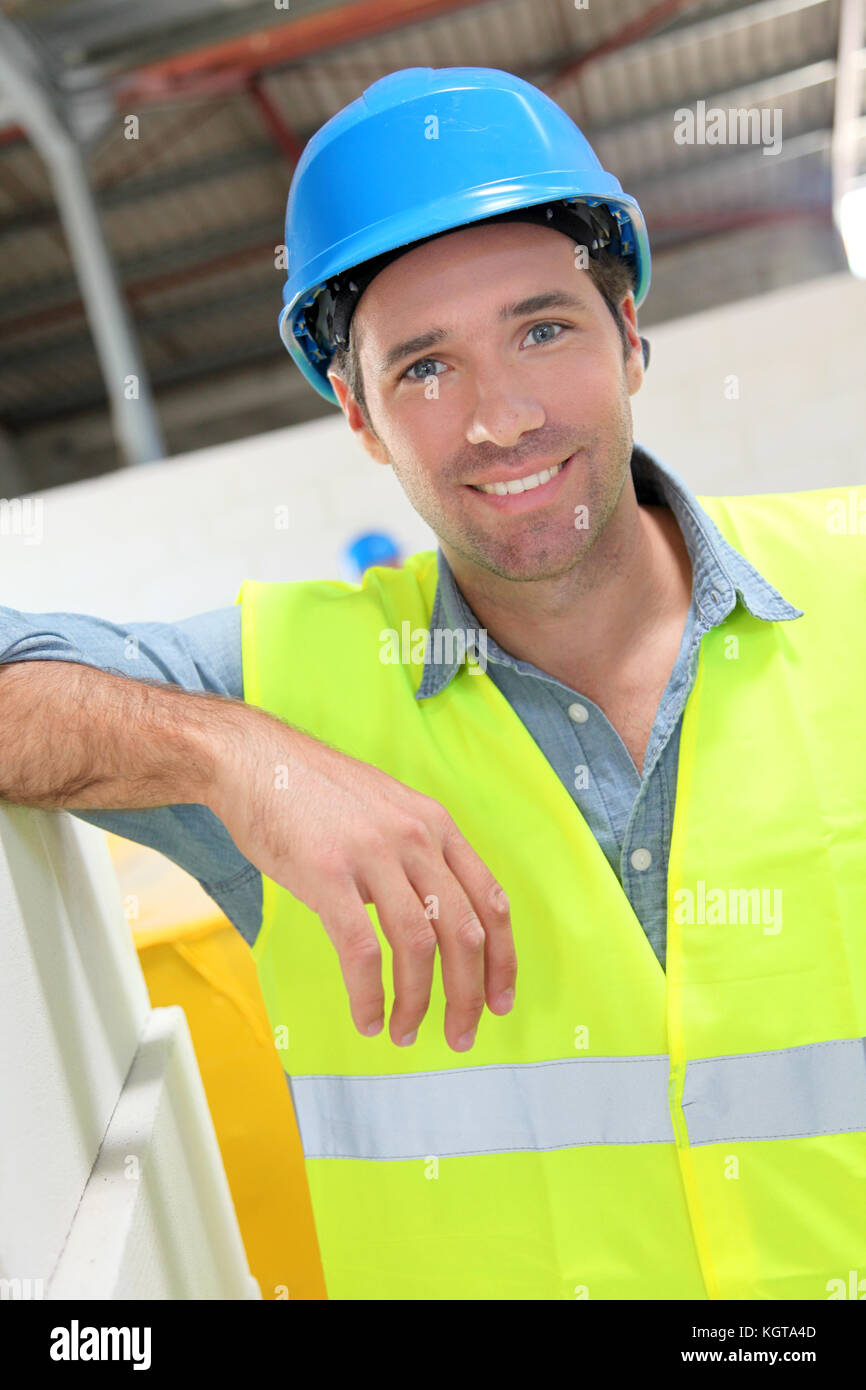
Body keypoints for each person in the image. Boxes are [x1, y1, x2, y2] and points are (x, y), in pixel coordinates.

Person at [1, 66, 863, 1302]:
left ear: (628, 335)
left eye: (542, 328)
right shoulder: (288, 685)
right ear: (357, 412)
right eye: (423, 368)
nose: (500, 417)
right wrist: (240, 759)